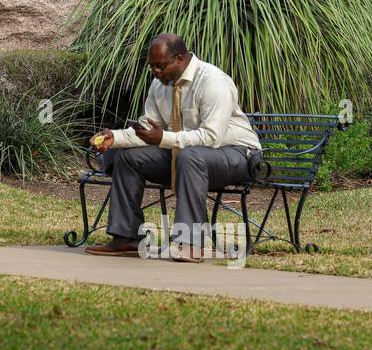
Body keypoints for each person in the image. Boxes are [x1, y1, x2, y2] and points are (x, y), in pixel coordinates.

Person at [85, 33, 261, 262]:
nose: (155, 73)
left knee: (190, 157)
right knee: (128, 157)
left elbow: (212, 138)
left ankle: (191, 243)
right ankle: (126, 237)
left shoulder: (213, 82)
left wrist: (163, 138)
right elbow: (148, 130)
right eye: (152, 67)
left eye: (160, 66)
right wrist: (114, 137)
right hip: (187, 156)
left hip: (237, 154)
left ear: (179, 59)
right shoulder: (160, 85)